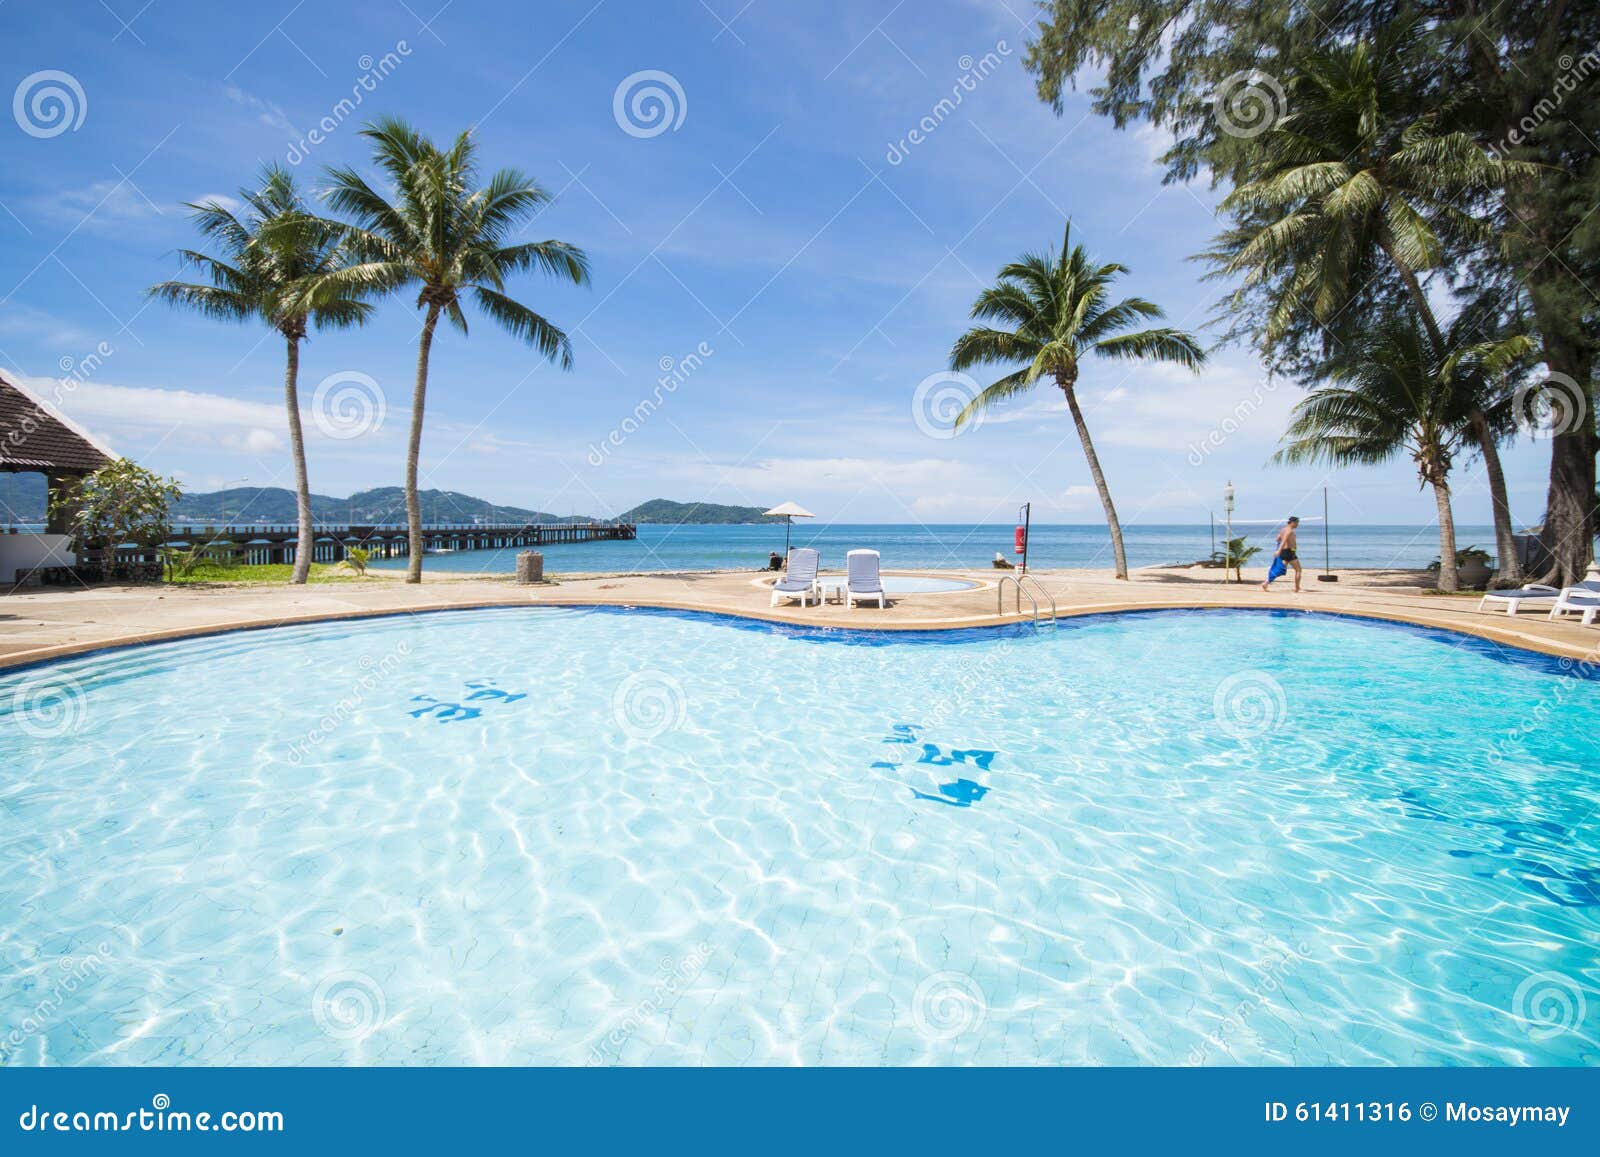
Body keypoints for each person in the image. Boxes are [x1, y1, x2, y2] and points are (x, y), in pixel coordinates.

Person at [1262, 516, 1302, 592]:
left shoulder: (1283, 529)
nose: (1298, 525)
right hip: (1289, 552)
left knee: (1280, 570)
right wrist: (1278, 551)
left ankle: (1266, 582)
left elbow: (1278, 539)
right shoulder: (1289, 531)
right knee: (1298, 570)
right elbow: (1283, 541)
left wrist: (1280, 550)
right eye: (1297, 523)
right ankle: (1297, 588)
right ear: (1293, 523)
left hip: (1285, 552)